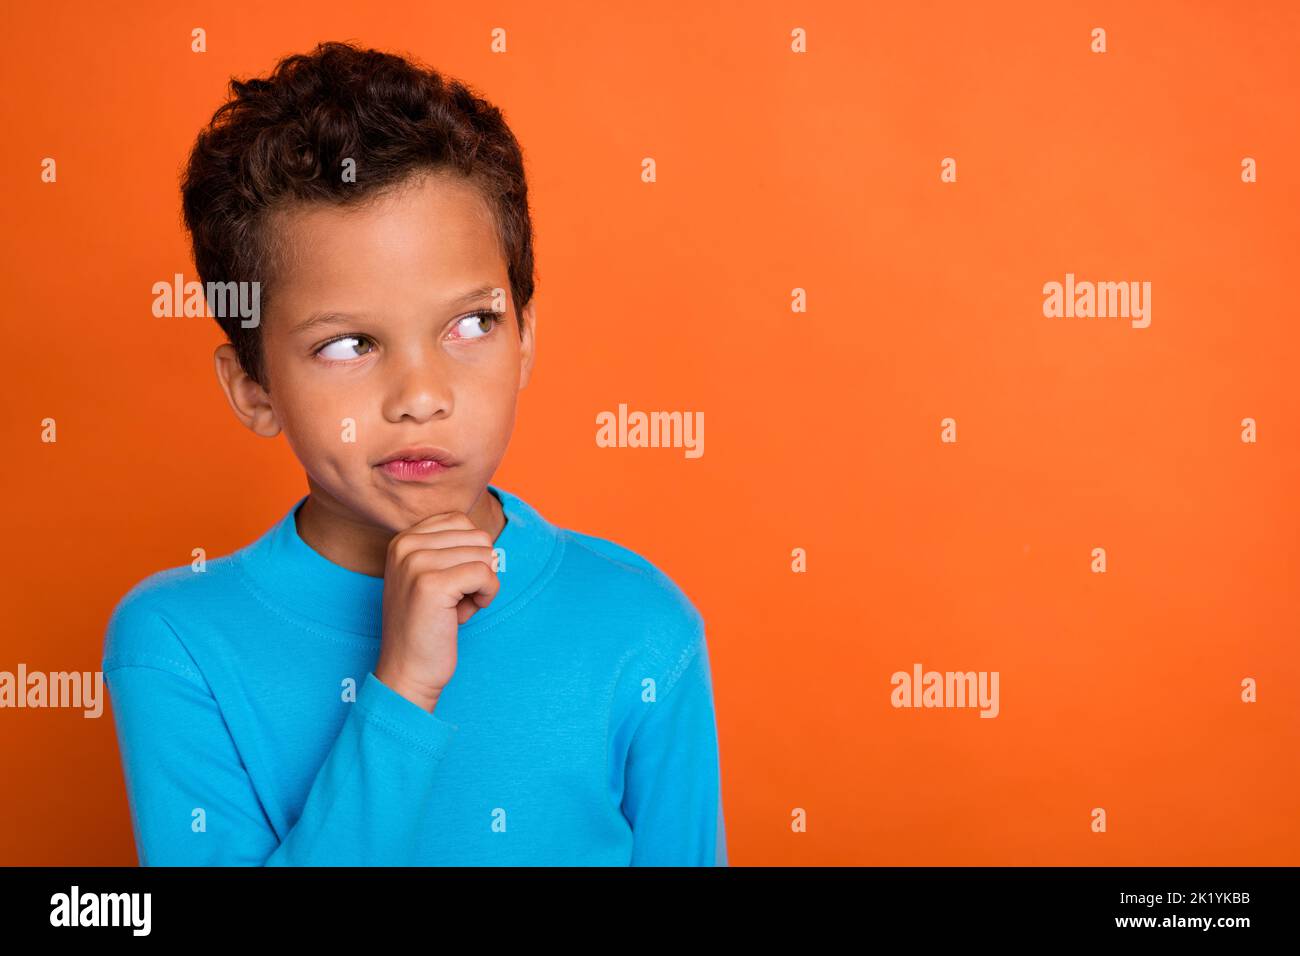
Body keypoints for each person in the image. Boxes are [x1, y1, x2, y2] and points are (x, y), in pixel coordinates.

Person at [102, 41, 726, 866]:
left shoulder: (641, 625)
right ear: (253, 387)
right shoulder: (177, 643)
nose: (421, 395)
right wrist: (401, 692)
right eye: (350, 343)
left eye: (471, 325)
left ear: (526, 339)